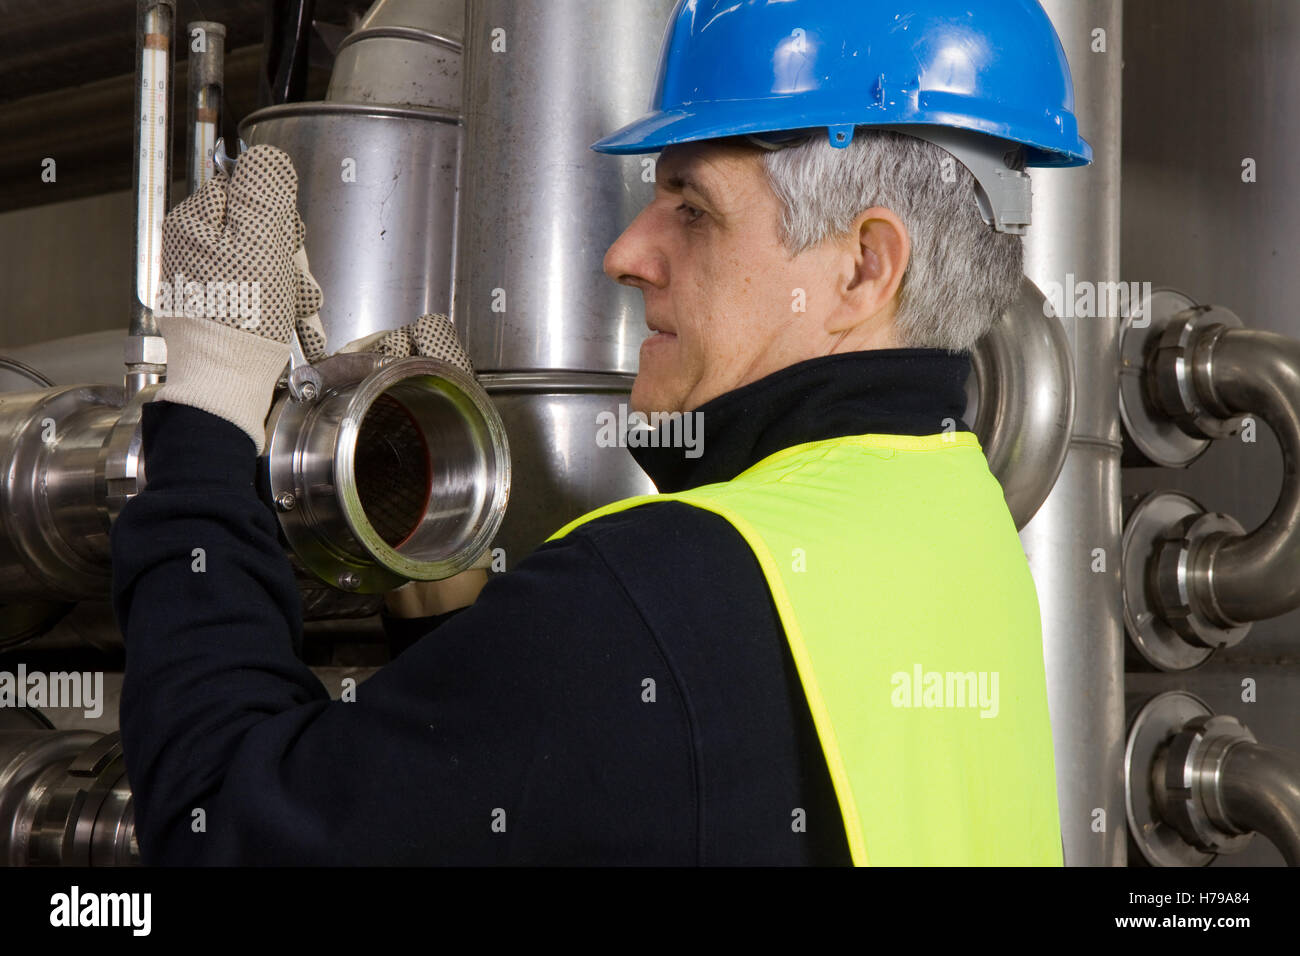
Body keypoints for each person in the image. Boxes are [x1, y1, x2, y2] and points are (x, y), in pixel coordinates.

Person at [111, 0, 1089, 865]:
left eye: (691, 210)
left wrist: (207, 410)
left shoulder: (660, 587)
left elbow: (221, 817)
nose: (626, 252)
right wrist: (442, 584)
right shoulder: (957, 517)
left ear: (862, 269)